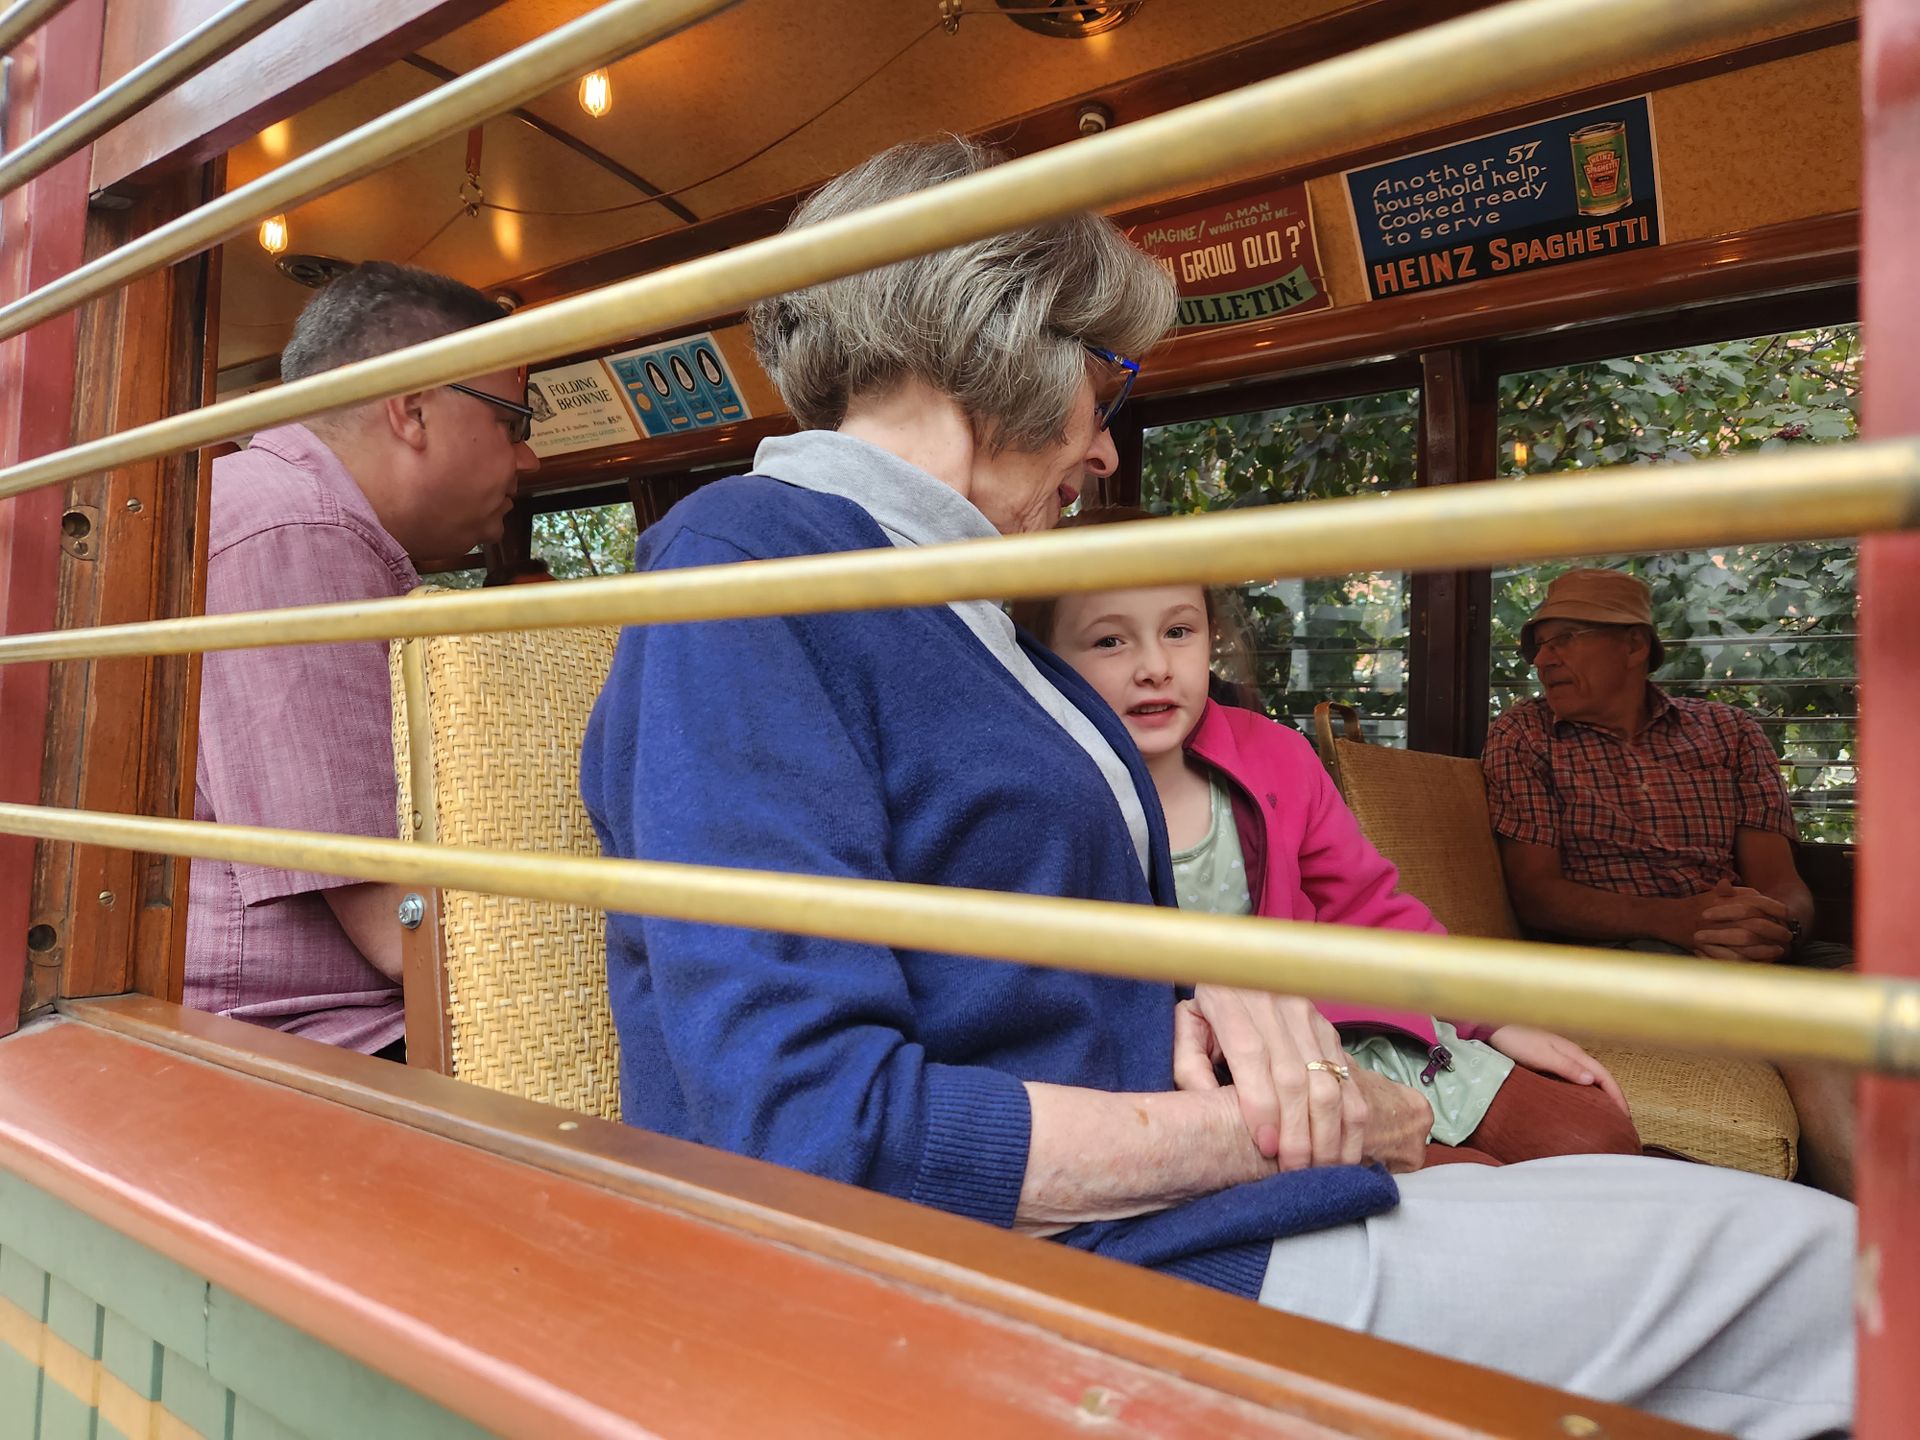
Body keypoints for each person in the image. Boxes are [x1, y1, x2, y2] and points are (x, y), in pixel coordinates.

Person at [580, 139, 1852, 1439]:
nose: (1108, 452)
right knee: (1835, 1289)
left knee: (1751, 1218)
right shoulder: (744, 576)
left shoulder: (958, 614)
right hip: (1049, 1277)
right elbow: (813, 1129)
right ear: (1017, 341)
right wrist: (1306, 1125)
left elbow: (1010, 970)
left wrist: (1204, 997)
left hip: (1170, 1218)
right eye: (1109, 387)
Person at [1011, 509, 1640, 1168]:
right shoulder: (1046, 791)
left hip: (1355, 1031)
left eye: (1178, 631)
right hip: (1231, 1084)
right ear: (1046, 656)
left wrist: (1496, 1019)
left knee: (1596, 1137)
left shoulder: (1275, 754)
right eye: (1110, 641)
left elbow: (1371, 909)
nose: (1155, 667)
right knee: (1477, 1186)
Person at [189, 261, 540, 1059]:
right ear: (413, 412)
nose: (529, 461)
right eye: (511, 424)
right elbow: (396, 924)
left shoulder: (268, 508)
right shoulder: (302, 533)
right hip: (310, 1040)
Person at [1481, 566, 1856, 1193]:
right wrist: (1675, 920)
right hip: (1623, 954)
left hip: (1746, 947)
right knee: (1813, 1028)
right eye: (1537, 646)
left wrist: (1773, 927)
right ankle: (1884, 1261)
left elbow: (1782, 884)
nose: (1543, 659)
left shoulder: (1731, 733)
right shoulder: (1525, 735)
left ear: (1634, 645)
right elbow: (1536, 896)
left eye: (1566, 637)